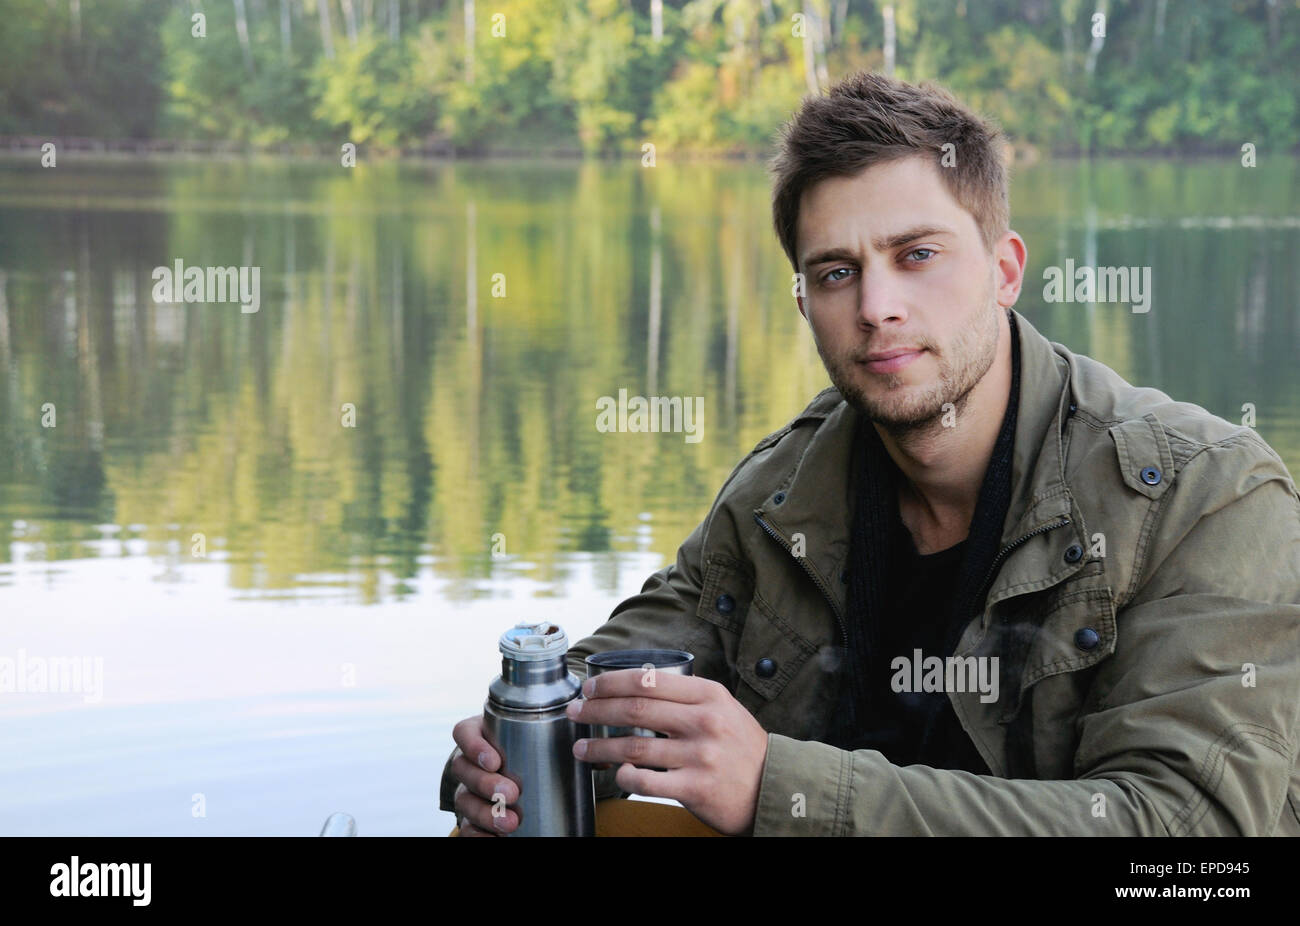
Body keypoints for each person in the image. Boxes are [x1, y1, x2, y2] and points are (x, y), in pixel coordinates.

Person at [441, 71, 1300, 836]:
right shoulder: (781, 496)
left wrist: (780, 789)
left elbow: (1188, 843)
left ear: (1005, 271)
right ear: (805, 302)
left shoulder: (1207, 495)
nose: (876, 306)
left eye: (917, 255)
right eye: (836, 272)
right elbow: (624, 672)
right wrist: (507, 755)